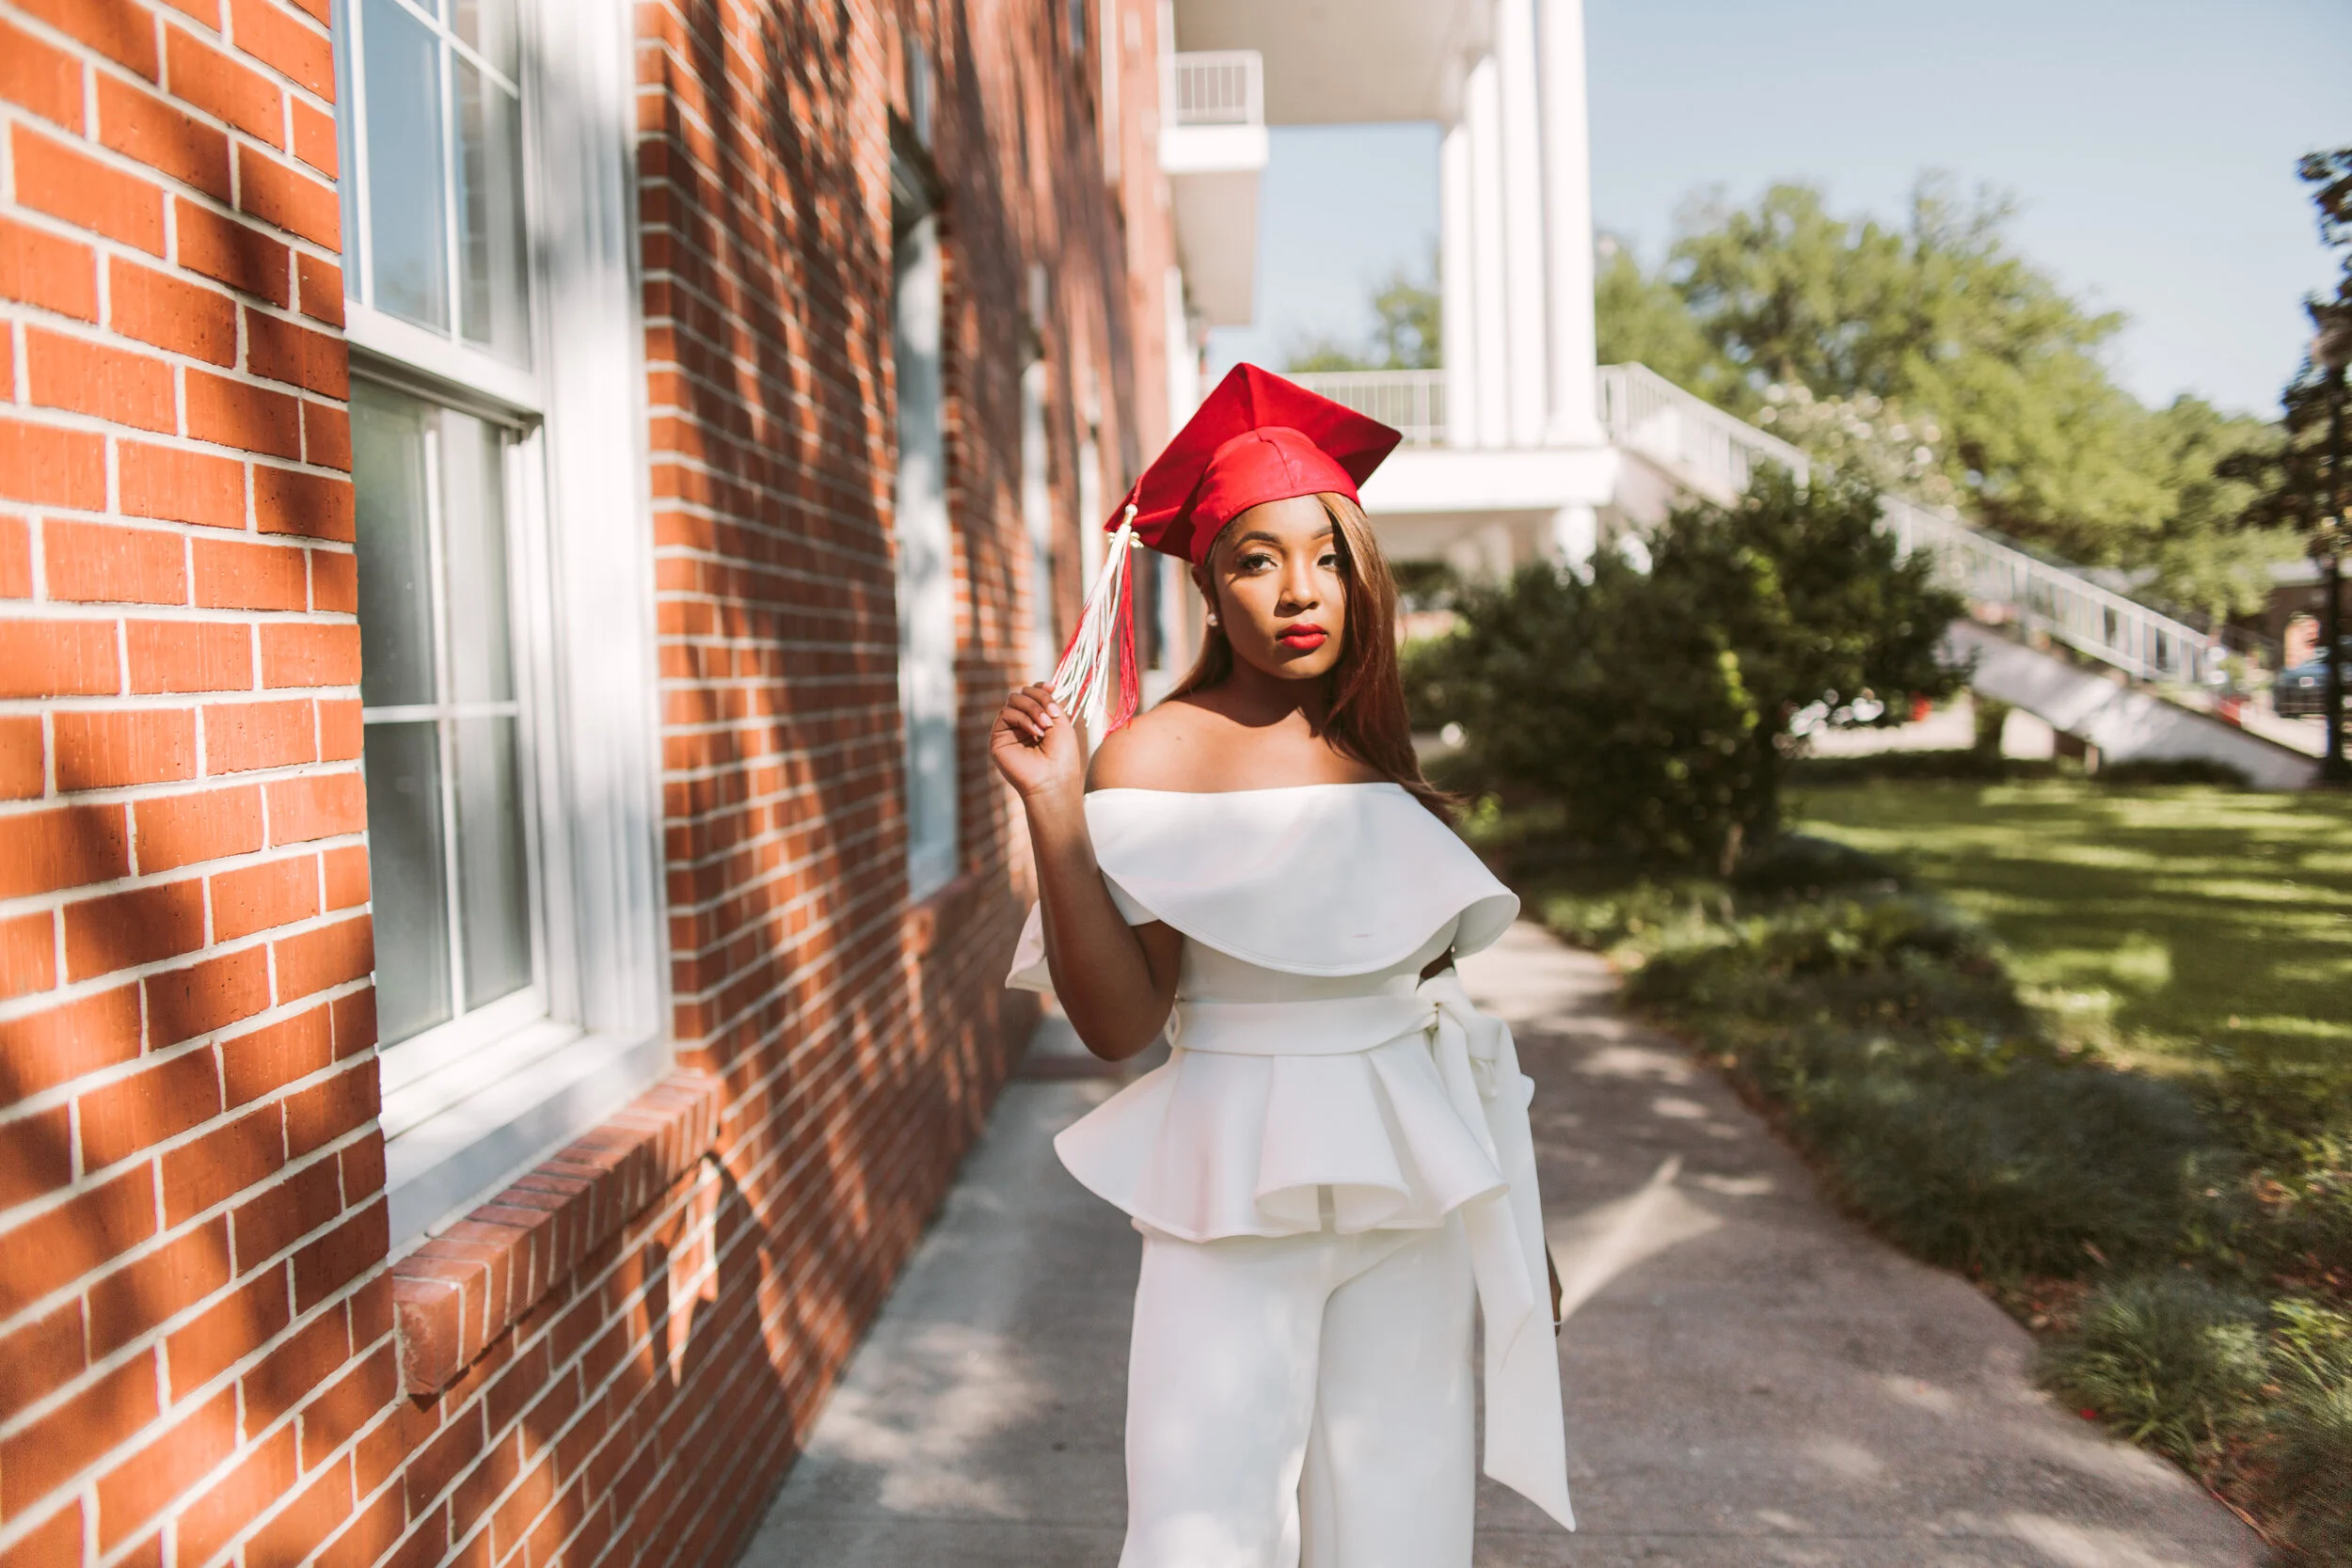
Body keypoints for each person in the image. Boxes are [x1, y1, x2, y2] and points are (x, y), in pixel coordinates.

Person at [990, 364, 1574, 1568]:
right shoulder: (1155, 755)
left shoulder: (1371, 754)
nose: (1297, 592)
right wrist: (1056, 809)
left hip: (1413, 1181)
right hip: (1233, 1175)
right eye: (1255, 559)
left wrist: (1518, 1214)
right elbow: (1117, 1023)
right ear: (1208, 586)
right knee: (1204, 1516)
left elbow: (1433, 1003)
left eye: (1326, 557)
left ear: (1363, 580)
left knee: (1401, 1514)